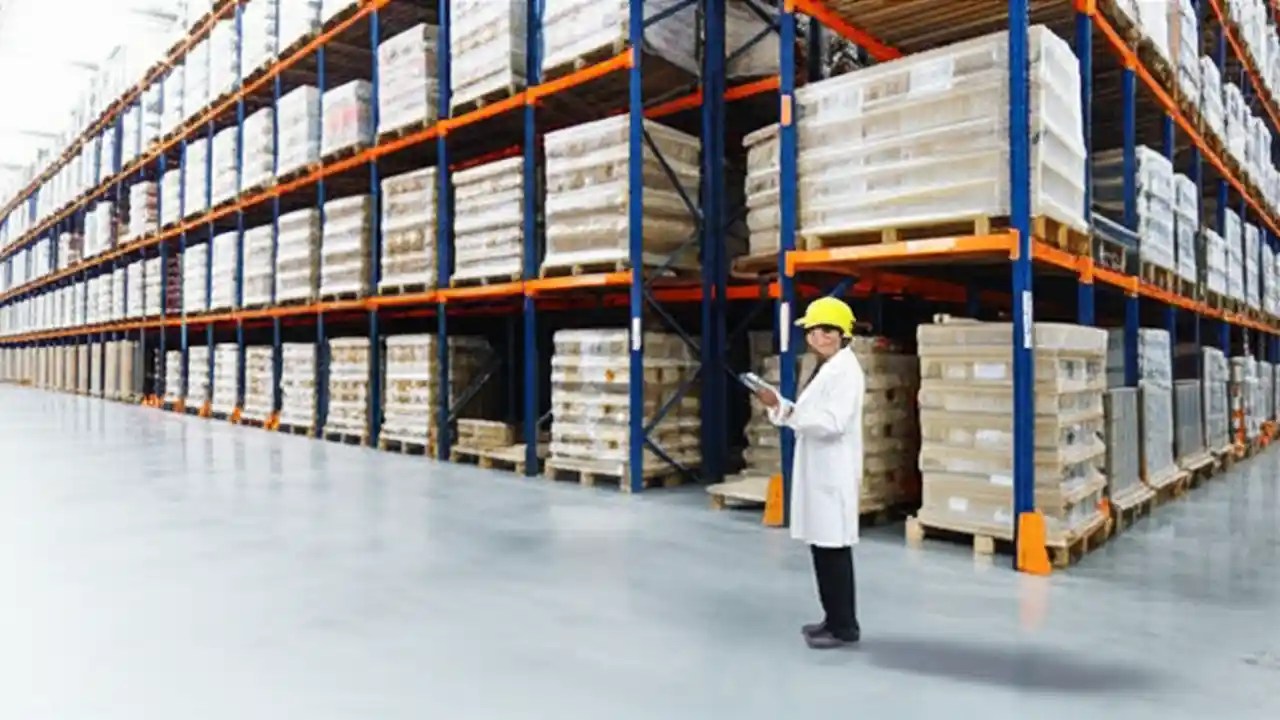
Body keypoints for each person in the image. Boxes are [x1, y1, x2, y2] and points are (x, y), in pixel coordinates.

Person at [756, 296, 864, 650]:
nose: (816, 337)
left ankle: (844, 627)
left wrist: (789, 415)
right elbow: (807, 414)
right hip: (819, 471)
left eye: (824, 330)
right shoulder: (827, 368)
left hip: (832, 474)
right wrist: (780, 406)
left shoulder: (846, 371)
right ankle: (832, 618)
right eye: (813, 330)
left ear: (839, 334)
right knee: (822, 549)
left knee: (833, 551)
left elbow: (832, 423)